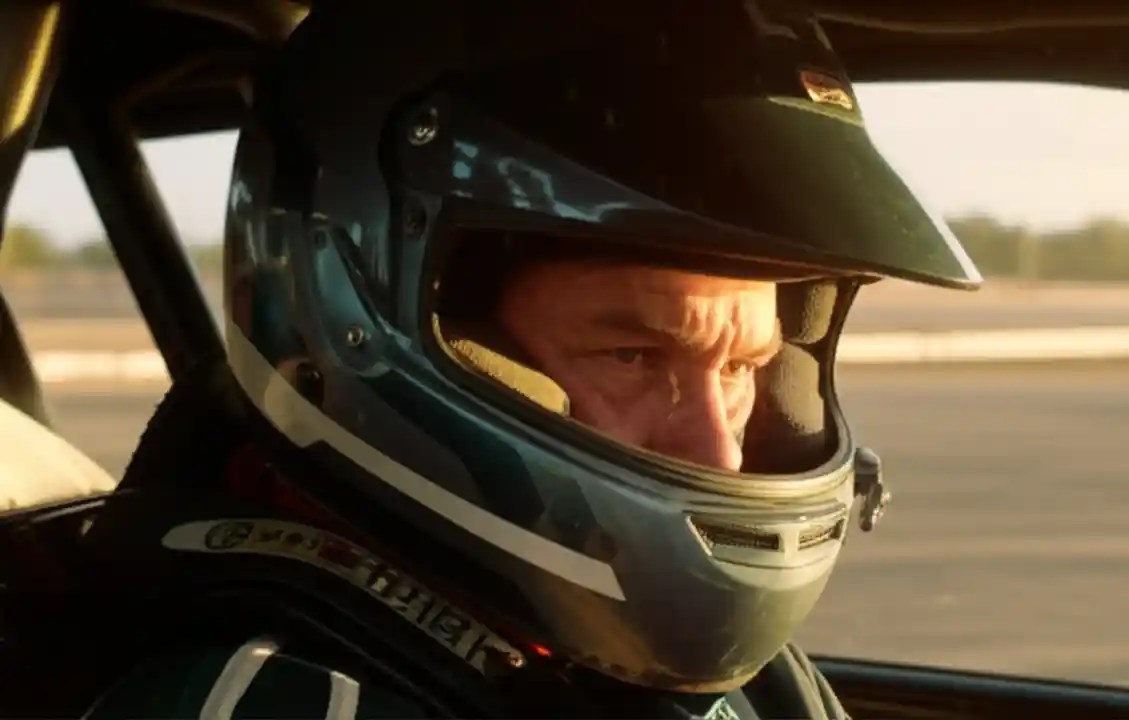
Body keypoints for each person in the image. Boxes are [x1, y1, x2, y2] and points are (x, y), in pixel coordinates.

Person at [77, 1, 981, 718]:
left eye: (744, 369)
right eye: (631, 354)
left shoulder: (732, 675)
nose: (717, 451)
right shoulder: (277, 700)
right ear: (365, 328)